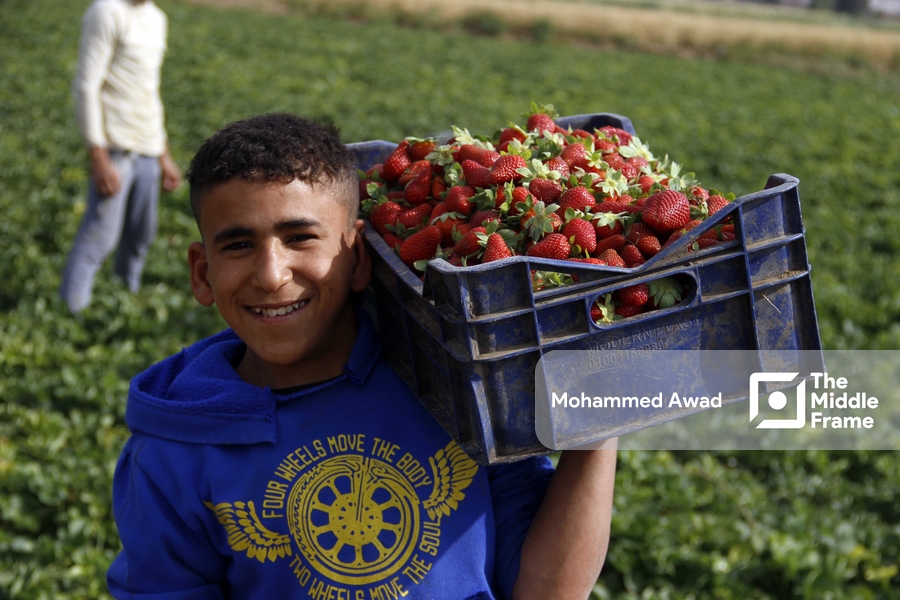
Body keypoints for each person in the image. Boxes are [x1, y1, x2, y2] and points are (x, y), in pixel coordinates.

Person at [107, 113, 618, 599]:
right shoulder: (172, 452)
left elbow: (545, 589)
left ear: (358, 257)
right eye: (238, 245)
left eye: (300, 237)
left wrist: (599, 423)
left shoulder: (455, 377)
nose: (271, 274)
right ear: (202, 273)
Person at [61, 0, 181, 314]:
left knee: (140, 238)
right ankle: (71, 315)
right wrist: (98, 156)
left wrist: (163, 154)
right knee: (98, 240)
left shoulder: (157, 18)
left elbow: (148, 92)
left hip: (148, 150)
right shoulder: (107, 11)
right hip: (115, 150)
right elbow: (86, 86)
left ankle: (123, 306)